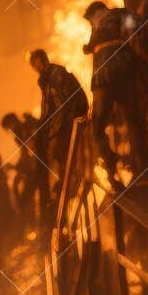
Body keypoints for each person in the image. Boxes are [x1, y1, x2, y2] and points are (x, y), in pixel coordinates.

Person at [83, 1, 148, 181]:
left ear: (95, 12)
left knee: (97, 129)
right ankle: (144, 171)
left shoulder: (96, 28)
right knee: (134, 122)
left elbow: (88, 48)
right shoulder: (121, 14)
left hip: (102, 79)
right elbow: (137, 35)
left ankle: (111, 164)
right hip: (124, 70)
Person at [28, 48, 88, 191]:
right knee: (57, 150)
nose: (34, 67)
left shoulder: (55, 73)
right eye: (33, 64)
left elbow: (65, 100)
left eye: (35, 63)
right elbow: (48, 106)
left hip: (72, 117)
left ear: (41, 60)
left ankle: (71, 180)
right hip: (66, 117)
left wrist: (59, 123)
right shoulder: (46, 78)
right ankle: (66, 180)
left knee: (60, 149)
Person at [0, 111, 48, 228]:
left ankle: (31, 224)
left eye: (8, 128)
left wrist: (15, 167)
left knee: (26, 195)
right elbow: (25, 155)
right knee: (20, 188)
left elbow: (28, 155)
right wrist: (16, 167)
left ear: (12, 123)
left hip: (39, 166)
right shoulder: (22, 132)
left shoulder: (25, 130)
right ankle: (32, 223)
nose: (10, 132)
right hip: (34, 166)